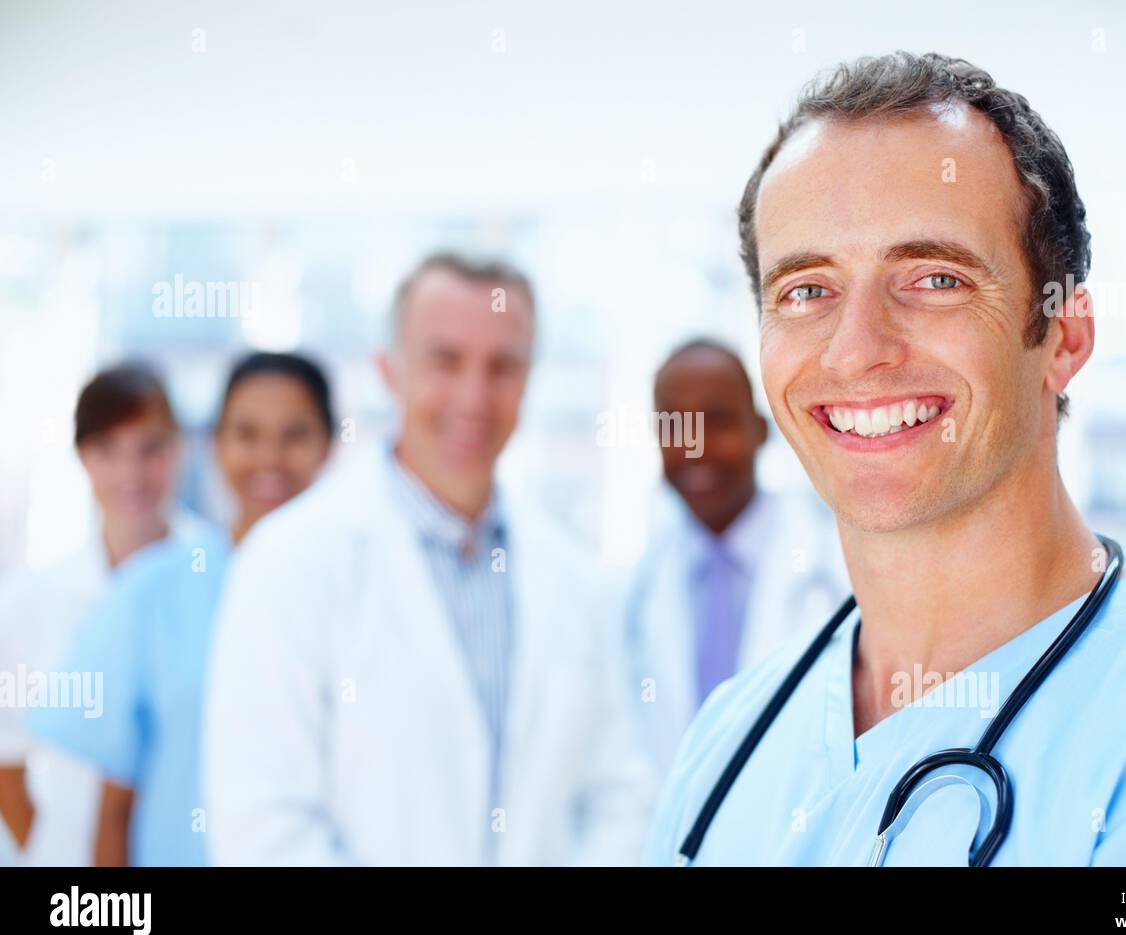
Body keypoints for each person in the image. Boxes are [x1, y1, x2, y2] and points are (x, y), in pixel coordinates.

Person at [644, 52, 1126, 866]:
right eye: (807, 291)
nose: (856, 353)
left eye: (934, 278)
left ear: (1063, 336)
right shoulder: (728, 743)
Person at [203, 253, 654, 866]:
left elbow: (619, 800)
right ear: (390, 371)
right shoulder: (289, 561)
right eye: (445, 361)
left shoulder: (576, 577)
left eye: (502, 367)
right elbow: (264, 828)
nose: (474, 397)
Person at [27, 352, 334, 866]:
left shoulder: (369, 592)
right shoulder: (155, 591)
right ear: (215, 445)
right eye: (247, 433)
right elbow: (116, 809)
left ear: (329, 444)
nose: (270, 457)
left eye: (295, 434)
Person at [625, 338, 846, 780]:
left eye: (717, 420)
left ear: (760, 430)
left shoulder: (833, 564)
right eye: (675, 425)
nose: (696, 447)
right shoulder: (638, 590)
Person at [0, 363, 189, 865]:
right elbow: (6, 757)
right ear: (83, 457)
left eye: (150, 449)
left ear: (178, 449)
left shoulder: (219, 578)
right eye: (108, 450)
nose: (131, 475)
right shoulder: (29, 602)